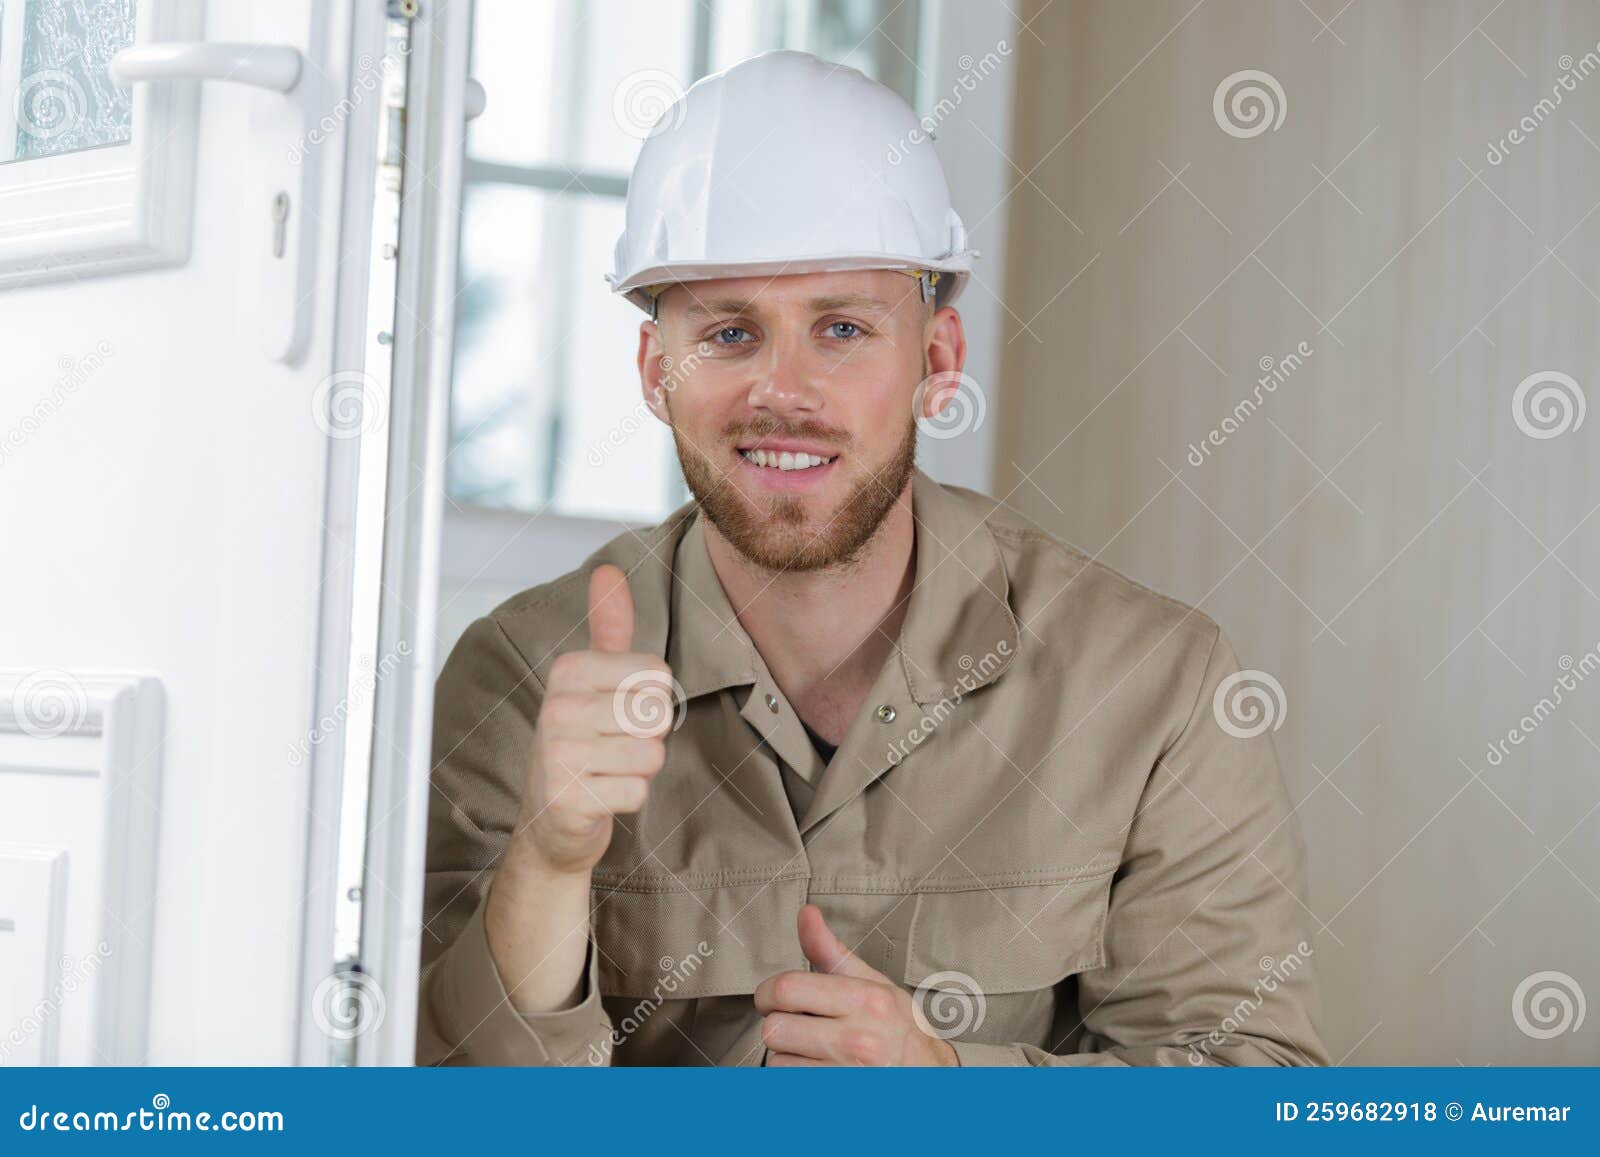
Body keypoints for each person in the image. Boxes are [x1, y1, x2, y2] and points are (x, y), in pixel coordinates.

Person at [416, 49, 1327, 1067]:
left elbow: (1257, 1091)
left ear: (937, 362)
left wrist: (949, 1091)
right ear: (653, 370)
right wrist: (548, 859)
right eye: (727, 333)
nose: (782, 391)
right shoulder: (520, 682)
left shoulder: (1152, 684)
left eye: (841, 328)